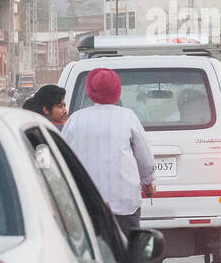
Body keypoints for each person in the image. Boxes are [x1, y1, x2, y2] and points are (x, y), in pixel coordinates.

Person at [61, 68, 156, 235]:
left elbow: (62, 157)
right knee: (127, 251)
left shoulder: (75, 120)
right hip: (124, 203)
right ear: (117, 91)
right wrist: (148, 182)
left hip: (85, 205)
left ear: (90, 92)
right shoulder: (128, 117)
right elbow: (144, 157)